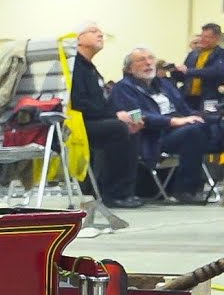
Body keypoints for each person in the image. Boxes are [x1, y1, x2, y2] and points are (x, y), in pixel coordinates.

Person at [112, 46, 209, 203]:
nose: (148, 63)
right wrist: (173, 121)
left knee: (215, 127)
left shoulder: (165, 84)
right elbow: (136, 115)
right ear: (129, 69)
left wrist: (207, 117)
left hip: (180, 127)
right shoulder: (123, 87)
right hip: (154, 135)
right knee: (194, 132)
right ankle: (185, 190)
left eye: (151, 58)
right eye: (142, 60)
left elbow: (185, 110)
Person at [70, 21, 144, 209]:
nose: (100, 34)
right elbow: (79, 103)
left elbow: (99, 104)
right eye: (93, 31)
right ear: (78, 39)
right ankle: (113, 193)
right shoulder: (74, 66)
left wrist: (120, 115)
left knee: (129, 128)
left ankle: (123, 191)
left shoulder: (89, 67)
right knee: (117, 128)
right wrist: (114, 115)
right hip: (76, 124)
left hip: (92, 120)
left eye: (100, 31)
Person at [175, 23, 224, 112]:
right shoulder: (193, 54)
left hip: (209, 99)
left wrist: (188, 71)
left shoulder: (221, 54)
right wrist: (175, 71)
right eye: (202, 36)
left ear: (217, 38)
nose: (202, 39)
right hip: (189, 98)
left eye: (207, 37)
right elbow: (183, 77)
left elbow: (215, 72)